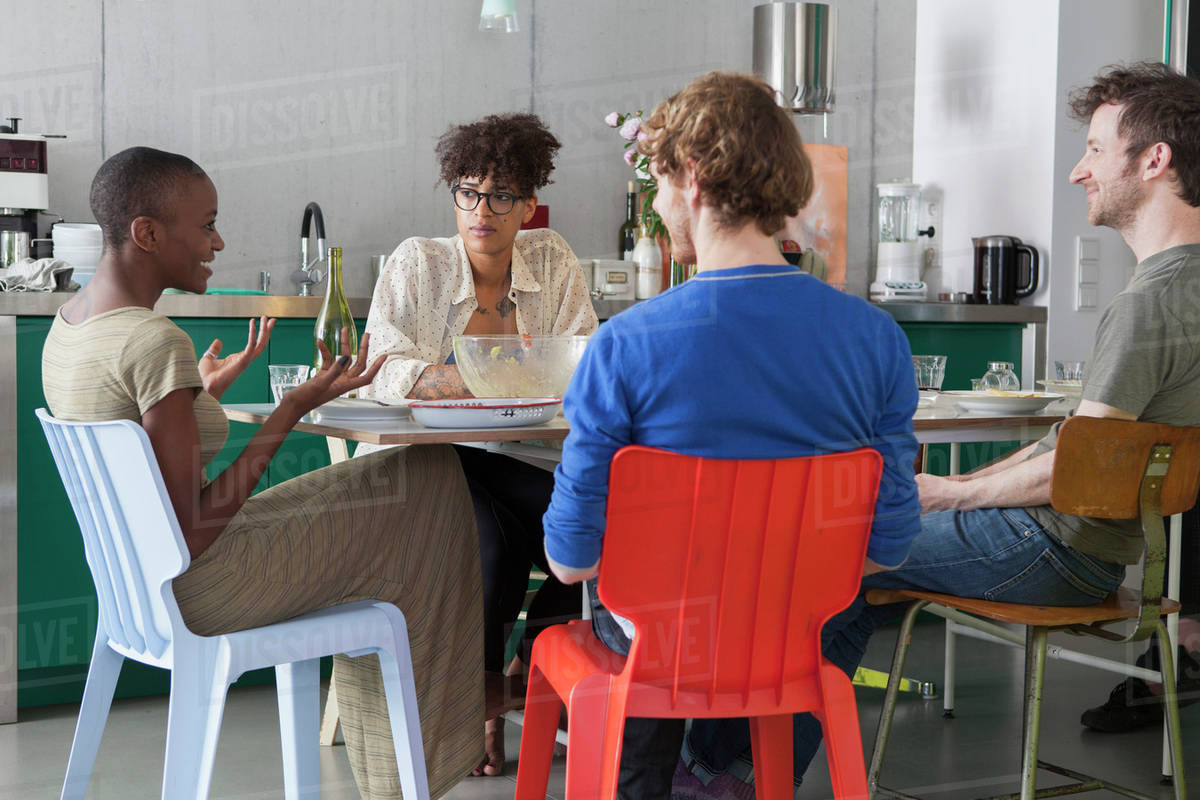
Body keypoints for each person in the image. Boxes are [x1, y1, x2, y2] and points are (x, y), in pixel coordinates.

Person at [679, 60, 1200, 795]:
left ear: (1154, 160)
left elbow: (1071, 473)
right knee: (848, 567)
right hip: (1103, 552)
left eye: (1093, 148)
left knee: (814, 552)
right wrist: (951, 483)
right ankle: (743, 769)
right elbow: (1074, 449)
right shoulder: (1184, 290)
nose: (1079, 170)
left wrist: (946, 496)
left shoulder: (1146, 305)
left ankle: (718, 775)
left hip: (1054, 552)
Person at [42, 146, 486, 800]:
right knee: (429, 477)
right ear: (148, 233)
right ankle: (417, 767)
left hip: (141, 589)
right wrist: (292, 408)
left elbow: (149, 479)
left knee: (410, 487)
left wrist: (200, 401)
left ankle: (404, 761)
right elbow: (191, 530)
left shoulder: (73, 325)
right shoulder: (149, 341)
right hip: (204, 584)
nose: (218, 242)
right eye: (207, 225)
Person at [540, 71, 924, 800]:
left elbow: (568, 559)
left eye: (656, 187)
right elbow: (889, 544)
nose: (655, 208)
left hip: (662, 646)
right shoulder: (877, 340)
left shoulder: (623, 346)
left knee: (610, 617)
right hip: (802, 636)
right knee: (838, 613)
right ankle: (725, 776)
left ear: (692, 177)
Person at [360, 112, 598, 775]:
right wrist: (500, 375)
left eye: (499, 196)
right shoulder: (421, 262)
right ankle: (478, 707)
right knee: (489, 545)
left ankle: (538, 663)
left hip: (519, 452)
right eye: (467, 192)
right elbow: (384, 372)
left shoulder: (551, 261)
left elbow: (581, 367)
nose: (481, 210)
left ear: (527, 204)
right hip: (424, 459)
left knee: (606, 525)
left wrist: (471, 378)